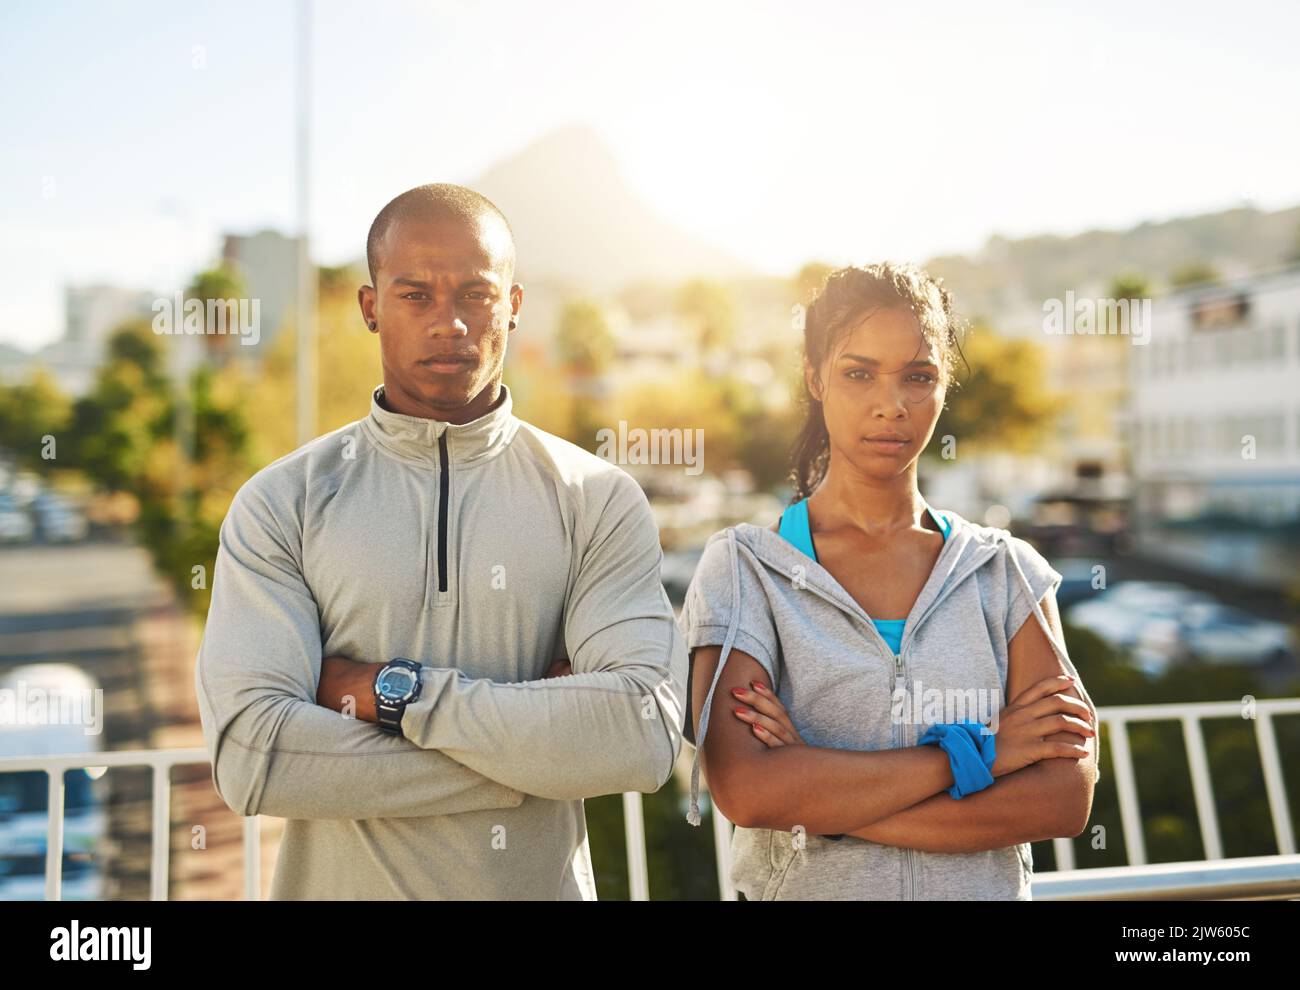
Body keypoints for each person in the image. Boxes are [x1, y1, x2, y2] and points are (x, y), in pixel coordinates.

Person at [195, 183, 687, 899]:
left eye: (476, 295)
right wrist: (534, 754)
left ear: (513, 306)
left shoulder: (596, 499)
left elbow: (639, 736)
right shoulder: (283, 502)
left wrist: (394, 695)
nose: (450, 323)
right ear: (372, 308)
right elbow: (252, 758)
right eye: (415, 294)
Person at [678, 261, 1100, 900]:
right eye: (858, 373)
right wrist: (980, 753)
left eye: (918, 376)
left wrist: (822, 800)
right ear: (816, 378)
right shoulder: (744, 569)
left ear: (944, 384)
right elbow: (749, 789)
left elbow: (1063, 799)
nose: (891, 404)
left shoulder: (1005, 571)